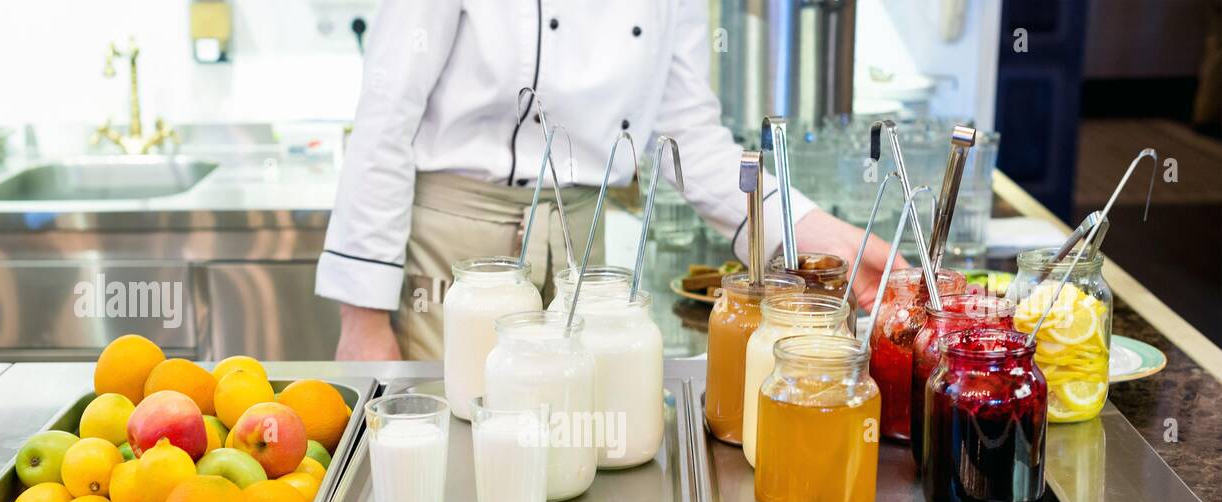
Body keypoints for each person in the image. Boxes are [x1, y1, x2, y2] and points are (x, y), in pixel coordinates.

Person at [318, 0, 904, 360]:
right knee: (460, 455)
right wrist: (362, 323)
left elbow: (691, 141)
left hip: (579, 248)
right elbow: (384, 116)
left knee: (568, 459)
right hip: (454, 258)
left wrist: (812, 230)